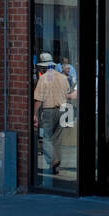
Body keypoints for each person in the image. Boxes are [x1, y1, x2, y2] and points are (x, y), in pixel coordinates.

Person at [33, 52, 69, 183]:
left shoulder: (43, 78)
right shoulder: (62, 77)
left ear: (43, 67)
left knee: (47, 138)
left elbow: (38, 99)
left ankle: (53, 160)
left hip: (49, 110)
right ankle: (56, 163)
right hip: (63, 110)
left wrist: (34, 114)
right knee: (57, 139)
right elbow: (68, 94)